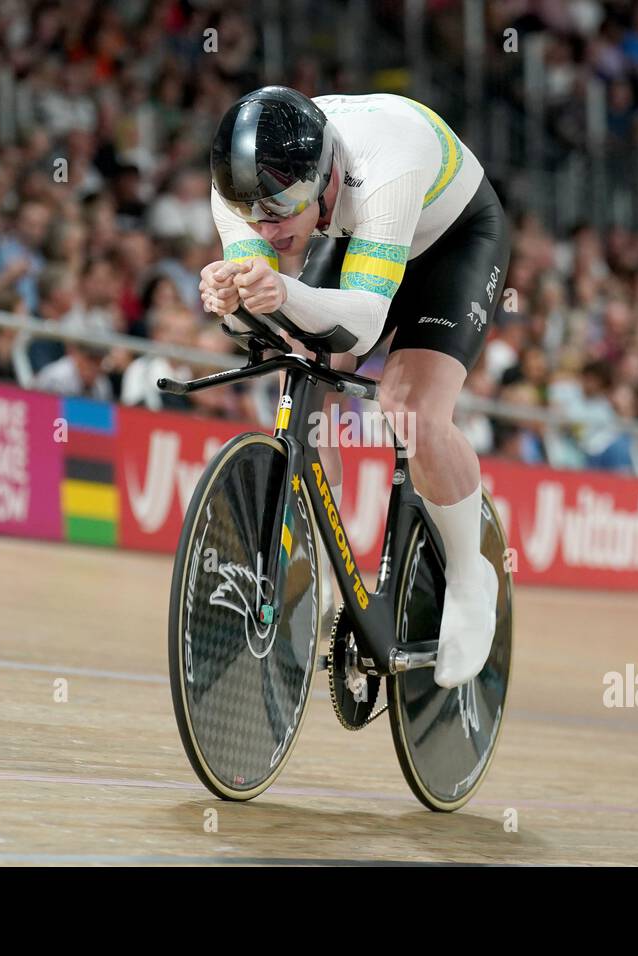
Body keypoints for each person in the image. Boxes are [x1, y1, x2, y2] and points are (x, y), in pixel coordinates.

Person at [199, 86, 510, 688]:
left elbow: (364, 323)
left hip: (451, 241)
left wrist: (282, 292)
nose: (268, 226)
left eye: (283, 207)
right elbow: (254, 315)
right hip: (357, 234)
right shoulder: (238, 187)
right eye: (252, 213)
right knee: (303, 367)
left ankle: (472, 579)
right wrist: (228, 298)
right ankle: (325, 570)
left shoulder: (385, 161)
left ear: (322, 177)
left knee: (409, 405)